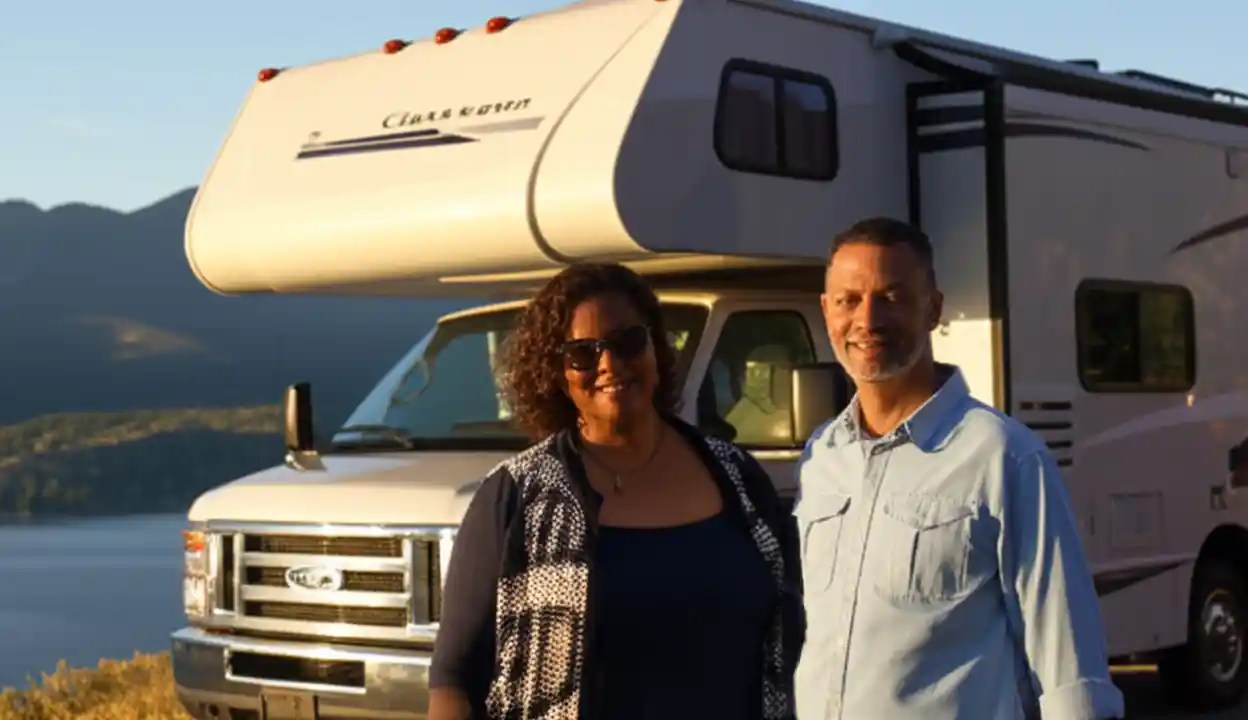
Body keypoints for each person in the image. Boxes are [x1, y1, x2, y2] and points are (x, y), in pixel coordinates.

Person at [427, 263, 802, 720]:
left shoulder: (738, 477)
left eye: (628, 342)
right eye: (583, 354)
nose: (609, 364)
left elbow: (790, 635)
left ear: (655, 348)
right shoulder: (517, 495)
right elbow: (453, 680)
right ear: (556, 372)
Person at [793, 217, 1125, 719]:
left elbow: (1067, 665)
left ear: (934, 309)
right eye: (849, 300)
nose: (868, 319)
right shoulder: (822, 458)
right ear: (826, 311)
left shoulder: (1003, 456)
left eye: (892, 297)